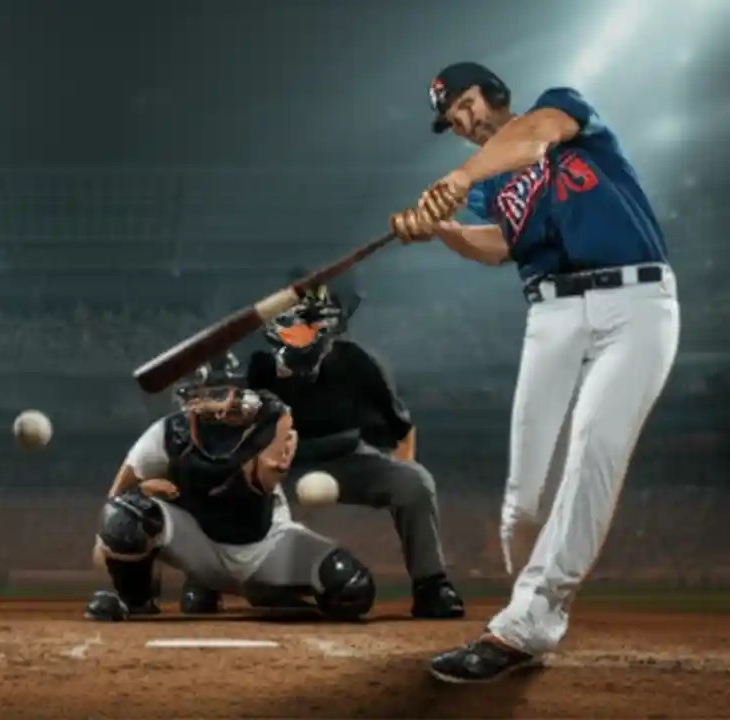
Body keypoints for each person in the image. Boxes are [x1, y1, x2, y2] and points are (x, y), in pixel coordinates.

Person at [390, 62, 679, 683]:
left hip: (635, 303)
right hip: (551, 314)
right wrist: (441, 229)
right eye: (451, 117)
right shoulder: (490, 185)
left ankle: (525, 622)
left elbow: (533, 137)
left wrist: (459, 176)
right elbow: (499, 246)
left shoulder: (558, 108)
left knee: (592, 449)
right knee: (523, 506)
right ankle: (534, 612)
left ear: (493, 90)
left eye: (466, 102)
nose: (462, 120)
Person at [177, 279, 466, 620]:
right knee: (216, 480)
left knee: (414, 482)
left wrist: (400, 481)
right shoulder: (257, 369)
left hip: (346, 456)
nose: (306, 335)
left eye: (313, 325)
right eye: (299, 326)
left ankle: (431, 585)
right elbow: (226, 433)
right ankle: (205, 580)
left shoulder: (357, 363)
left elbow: (401, 429)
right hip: (276, 462)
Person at [84, 354, 376, 622]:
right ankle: (135, 601)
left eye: (226, 392)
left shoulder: (270, 423)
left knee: (352, 588)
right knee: (125, 517)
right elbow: (119, 496)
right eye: (211, 394)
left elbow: (269, 459)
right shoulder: (166, 435)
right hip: (200, 546)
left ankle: (261, 591)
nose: (220, 403)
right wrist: (108, 538)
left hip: (266, 548)